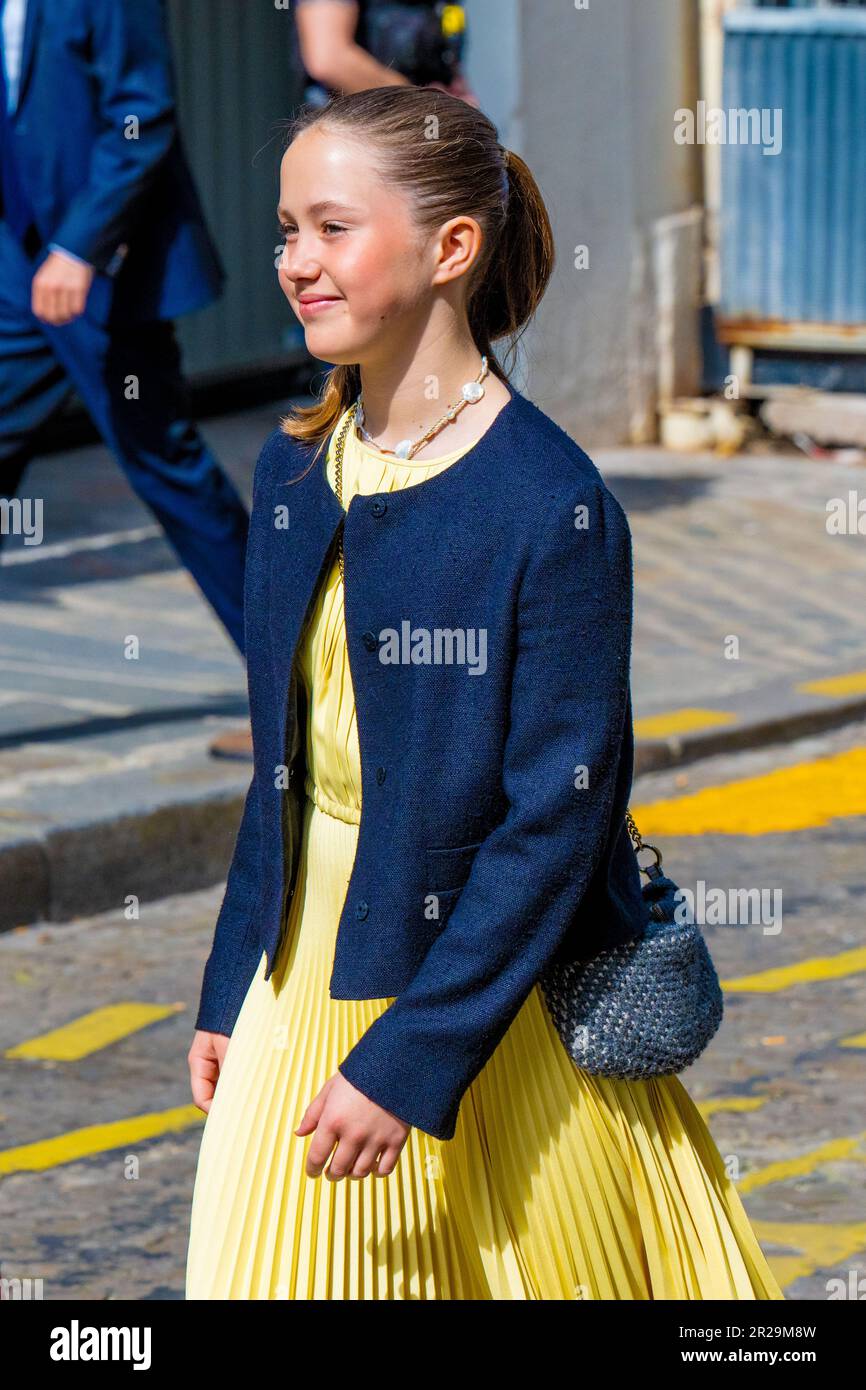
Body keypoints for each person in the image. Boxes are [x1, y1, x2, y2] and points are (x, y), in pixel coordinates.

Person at [185, 86, 785, 1301]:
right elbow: (284, 766)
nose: (296, 263)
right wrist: (229, 980)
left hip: (468, 1002)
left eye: (330, 229)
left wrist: (411, 1060)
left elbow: (553, 818)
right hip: (296, 975)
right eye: (285, 231)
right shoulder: (296, 468)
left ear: (451, 247)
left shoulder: (546, 505)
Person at [0, 0, 252, 758]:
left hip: (102, 271)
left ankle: (307, 692)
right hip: (18, 270)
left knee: (168, 470)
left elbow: (141, 114)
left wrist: (81, 246)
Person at [289, 0, 478, 107]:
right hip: (360, 139)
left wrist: (461, 102)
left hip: (422, 132)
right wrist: (427, 105)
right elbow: (330, 60)